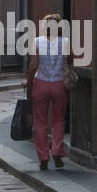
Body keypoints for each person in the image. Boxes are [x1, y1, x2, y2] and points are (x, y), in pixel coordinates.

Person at [26, 13, 71, 170]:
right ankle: (57, 152)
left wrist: (29, 81)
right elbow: (69, 61)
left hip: (41, 84)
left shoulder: (37, 42)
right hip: (59, 84)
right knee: (58, 120)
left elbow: (33, 65)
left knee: (40, 122)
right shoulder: (65, 42)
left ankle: (43, 157)